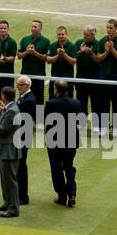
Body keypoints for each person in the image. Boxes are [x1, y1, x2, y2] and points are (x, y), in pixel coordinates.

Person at [43, 79, 82, 207]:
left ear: (56, 90)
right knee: (69, 167)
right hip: (71, 141)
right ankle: (72, 194)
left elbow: (45, 120)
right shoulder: (76, 103)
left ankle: (62, 196)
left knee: (57, 169)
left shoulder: (50, 104)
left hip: (55, 142)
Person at [0, 84, 22, 218]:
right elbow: (3, 124)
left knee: (10, 181)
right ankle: (7, 203)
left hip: (9, 151)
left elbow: (2, 129)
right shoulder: (9, 109)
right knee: (5, 180)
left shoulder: (12, 111)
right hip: (7, 151)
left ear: (4, 96)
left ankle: (13, 208)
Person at [14, 75, 36, 206]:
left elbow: (20, 117)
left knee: (21, 167)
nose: (18, 86)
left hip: (22, 138)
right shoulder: (24, 98)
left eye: (20, 84)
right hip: (21, 136)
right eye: (17, 84)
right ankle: (20, 194)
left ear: (27, 86)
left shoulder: (29, 100)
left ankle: (23, 196)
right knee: (19, 166)